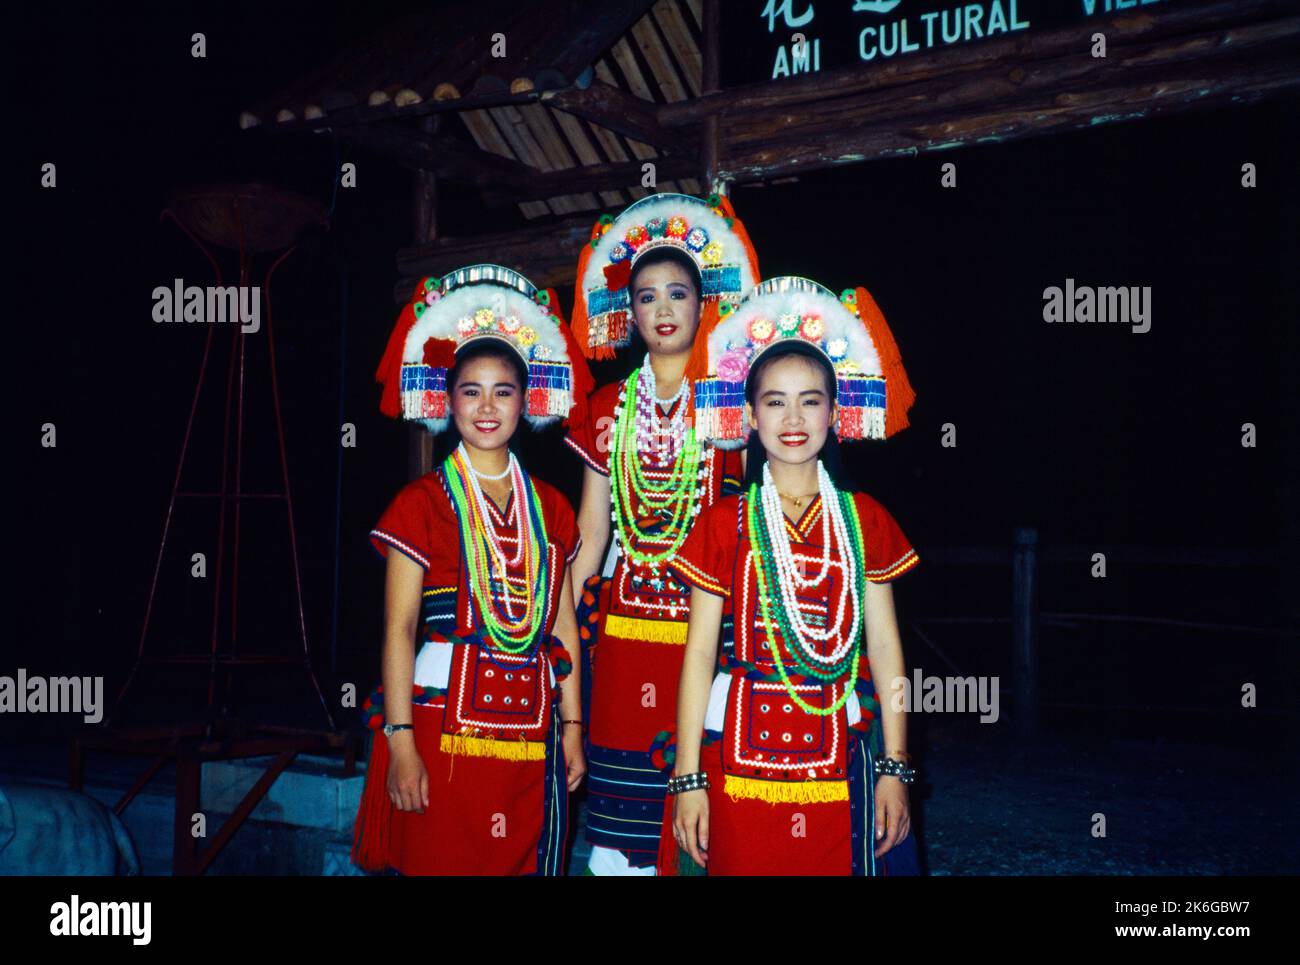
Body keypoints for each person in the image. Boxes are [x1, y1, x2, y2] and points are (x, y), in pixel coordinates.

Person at [665, 276, 920, 875]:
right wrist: (687, 777)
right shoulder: (724, 522)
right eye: (774, 401)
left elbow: (884, 649)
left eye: (811, 399)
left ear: (836, 411)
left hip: (845, 759)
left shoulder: (865, 520)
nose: (793, 417)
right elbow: (699, 654)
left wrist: (896, 767)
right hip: (738, 760)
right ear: (749, 414)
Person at [352, 264, 593, 875]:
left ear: (526, 401)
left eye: (503, 391)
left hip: (531, 733)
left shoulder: (553, 508)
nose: (487, 407)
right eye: (471, 391)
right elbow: (400, 630)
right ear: (447, 400)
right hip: (440, 735)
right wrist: (400, 740)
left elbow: (563, 627)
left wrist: (572, 725)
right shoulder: (421, 504)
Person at [564, 192, 761, 874]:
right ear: (630, 311)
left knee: (703, 808)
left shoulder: (737, 400)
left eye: (679, 292)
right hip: (622, 629)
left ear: (706, 303)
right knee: (620, 834)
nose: (664, 309)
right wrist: (557, 636)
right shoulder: (607, 406)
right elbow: (592, 531)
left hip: (710, 622)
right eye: (646, 296)